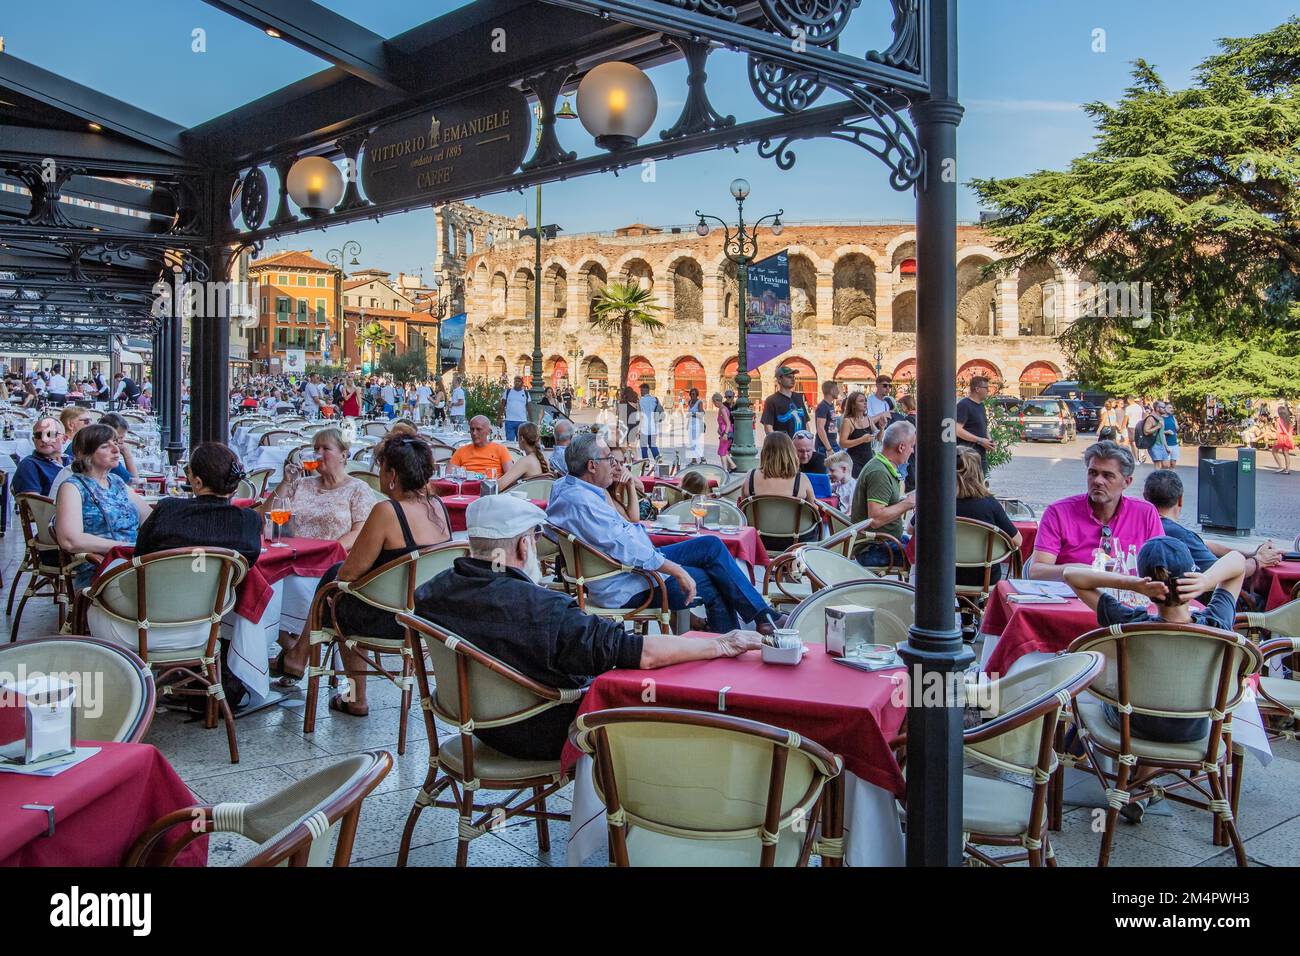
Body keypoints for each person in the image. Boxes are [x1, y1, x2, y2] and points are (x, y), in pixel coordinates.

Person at [413, 495, 762, 759]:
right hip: (546, 730)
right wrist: (721, 644)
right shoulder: (543, 610)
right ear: (523, 545)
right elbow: (642, 654)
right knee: (654, 697)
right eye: (534, 540)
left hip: (475, 725)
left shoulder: (431, 592)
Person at [548, 433, 785, 634]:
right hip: (628, 584)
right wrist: (676, 569)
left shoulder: (566, 488)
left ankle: (762, 617)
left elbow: (555, 530)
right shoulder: (583, 502)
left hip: (628, 568)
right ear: (591, 466)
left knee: (710, 545)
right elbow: (626, 549)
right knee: (712, 581)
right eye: (609, 459)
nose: (614, 465)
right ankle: (729, 647)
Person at [277, 434, 451, 707]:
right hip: (427, 617)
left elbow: (349, 573)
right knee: (336, 585)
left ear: (392, 475)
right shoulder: (438, 507)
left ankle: (330, 678)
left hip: (390, 619)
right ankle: (299, 657)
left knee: (336, 591)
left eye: (381, 468)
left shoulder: (387, 511)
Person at [1065, 541, 1246, 743]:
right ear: (1192, 574)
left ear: (1146, 582)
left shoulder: (1130, 623)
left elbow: (1071, 575)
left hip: (1132, 726)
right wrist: (1207, 580)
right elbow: (1238, 561)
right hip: (1193, 728)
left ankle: (1088, 751)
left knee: (1089, 690)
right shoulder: (1216, 624)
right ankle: (1148, 770)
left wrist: (1132, 584)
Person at [1029, 440, 1164, 581]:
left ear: (1127, 482)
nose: (1098, 481)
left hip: (1128, 598)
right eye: (1093, 473)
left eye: (1107, 475)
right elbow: (1037, 571)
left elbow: (1161, 567)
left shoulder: (1145, 513)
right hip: (1072, 597)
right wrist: (1083, 571)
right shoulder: (1058, 513)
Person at [54, 424, 152, 589]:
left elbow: (150, 519)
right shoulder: (72, 487)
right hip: (102, 571)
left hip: (135, 564)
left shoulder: (117, 482)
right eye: (105, 446)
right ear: (84, 454)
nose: (116, 450)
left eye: (115, 443)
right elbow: (70, 540)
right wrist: (123, 547)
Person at [133, 442, 262, 566]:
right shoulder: (248, 520)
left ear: (198, 482)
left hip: (161, 586)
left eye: (188, 472)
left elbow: (140, 554)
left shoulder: (168, 509)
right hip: (222, 588)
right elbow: (249, 563)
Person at [1142, 469, 1281, 577]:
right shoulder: (1179, 535)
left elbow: (1205, 544)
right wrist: (1258, 560)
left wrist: (1251, 554)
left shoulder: (1140, 524)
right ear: (1180, 500)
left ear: (1145, 497)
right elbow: (1221, 573)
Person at [261, 427, 375, 549]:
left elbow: (360, 533)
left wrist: (327, 552)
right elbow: (265, 518)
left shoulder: (358, 489)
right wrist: (286, 481)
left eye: (325, 448)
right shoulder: (300, 484)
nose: (318, 454)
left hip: (329, 559)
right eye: (316, 449)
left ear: (343, 455)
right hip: (290, 554)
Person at [850, 420, 916, 567]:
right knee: (932, 555)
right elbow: (876, 519)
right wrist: (908, 503)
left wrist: (905, 500)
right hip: (874, 548)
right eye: (911, 446)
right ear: (901, 447)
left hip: (884, 542)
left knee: (927, 547)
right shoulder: (879, 472)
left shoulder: (881, 466)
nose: (912, 451)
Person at [741, 432, 820, 553]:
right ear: (790, 452)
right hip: (796, 542)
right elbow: (814, 513)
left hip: (760, 539)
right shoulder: (801, 479)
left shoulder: (751, 477)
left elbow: (743, 509)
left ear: (764, 453)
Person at [954, 448, 1022, 587]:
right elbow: (1017, 541)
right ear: (979, 473)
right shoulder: (989, 504)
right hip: (984, 577)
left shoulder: (937, 503)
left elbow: (912, 529)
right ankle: (979, 607)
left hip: (943, 575)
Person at [12, 416, 69, 496]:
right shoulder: (29, 465)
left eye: (50, 434)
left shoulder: (73, 462)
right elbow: (32, 504)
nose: (44, 439)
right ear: (33, 440)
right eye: (38, 435)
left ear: (64, 439)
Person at [448, 415, 513, 478]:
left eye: (478, 429)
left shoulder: (500, 449)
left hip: (492, 486)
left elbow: (510, 477)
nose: (474, 433)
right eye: (472, 429)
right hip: (467, 486)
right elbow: (449, 476)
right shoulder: (461, 451)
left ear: (488, 431)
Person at [954, 375, 995, 471]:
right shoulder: (964, 405)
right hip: (968, 456)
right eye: (986, 388)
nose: (988, 391)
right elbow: (957, 429)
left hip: (980, 454)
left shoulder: (981, 405)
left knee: (980, 483)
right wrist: (979, 440)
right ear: (977, 389)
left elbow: (983, 426)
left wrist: (989, 440)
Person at [498, 422, 550, 492]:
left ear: (521, 438)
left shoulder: (526, 461)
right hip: (541, 501)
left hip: (525, 501)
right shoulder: (544, 460)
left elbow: (499, 486)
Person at [759, 366, 808, 437]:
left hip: (801, 444)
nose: (793, 379)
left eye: (793, 377)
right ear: (779, 379)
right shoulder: (771, 400)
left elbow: (805, 422)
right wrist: (777, 444)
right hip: (783, 445)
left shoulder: (799, 397)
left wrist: (808, 440)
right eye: (789, 377)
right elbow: (768, 427)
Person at [837, 390, 875, 478]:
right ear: (853, 405)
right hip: (854, 462)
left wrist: (881, 427)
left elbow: (879, 438)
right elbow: (842, 443)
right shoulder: (848, 421)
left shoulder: (868, 419)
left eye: (865, 400)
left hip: (868, 459)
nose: (865, 403)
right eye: (861, 401)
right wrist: (862, 439)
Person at [1149, 400, 1179, 469]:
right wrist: (1166, 432)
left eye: (1172, 408)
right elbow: (1159, 431)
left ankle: (1171, 478)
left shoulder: (1172, 417)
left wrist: (1177, 426)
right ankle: (1163, 477)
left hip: (1174, 442)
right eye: (1169, 408)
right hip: (1165, 443)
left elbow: (1177, 428)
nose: (1171, 409)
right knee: (1164, 465)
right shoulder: (1160, 418)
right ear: (1164, 409)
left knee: (1173, 463)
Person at [814, 379, 840, 457]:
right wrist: (829, 449)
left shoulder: (830, 405)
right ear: (831, 391)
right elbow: (820, 429)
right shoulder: (822, 406)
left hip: (832, 443)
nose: (838, 392)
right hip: (824, 446)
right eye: (836, 389)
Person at [500, 376, 530, 441]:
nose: (517, 383)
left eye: (519, 381)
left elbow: (529, 407)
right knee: (509, 442)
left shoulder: (526, 393)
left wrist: (531, 420)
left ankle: (520, 452)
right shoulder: (508, 391)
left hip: (522, 421)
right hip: (509, 421)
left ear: (522, 383)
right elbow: (502, 405)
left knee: (521, 442)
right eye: (515, 381)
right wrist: (499, 418)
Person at [637, 382, 662, 461]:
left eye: (641, 390)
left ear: (645, 390)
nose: (640, 392)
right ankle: (658, 459)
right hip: (653, 426)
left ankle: (646, 462)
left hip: (644, 426)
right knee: (652, 445)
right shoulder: (655, 399)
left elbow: (640, 415)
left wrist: (638, 428)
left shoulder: (641, 401)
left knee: (643, 445)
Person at [712, 392, 734, 472]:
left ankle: (725, 470)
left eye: (714, 402)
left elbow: (727, 423)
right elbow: (723, 422)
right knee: (725, 451)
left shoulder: (722, 409)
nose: (714, 404)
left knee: (722, 452)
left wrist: (725, 434)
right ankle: (732, 466)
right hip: (724, 431)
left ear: (716, 401)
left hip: (726, 432)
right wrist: (719, 428)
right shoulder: (723, 408)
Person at [1270, 403, 1294, 475]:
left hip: (1280, 438)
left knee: (1274, 451)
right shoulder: (1289, 420)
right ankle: (1287, 469)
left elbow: (1278, 430)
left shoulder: (1279, 420)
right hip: (1287, 438)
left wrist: (1272, 428)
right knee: (1286, 453)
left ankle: (1280, 466)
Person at [685, 388, 706, 465]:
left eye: (694, 394)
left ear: (697, 395)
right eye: (691, 394)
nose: (692, 396)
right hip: (691, 424)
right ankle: (693, 460)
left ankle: (702, 459)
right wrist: (687, 424)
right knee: (691, 442)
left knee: (697, 442)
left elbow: (701, 414)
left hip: (697, 424)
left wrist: (692, 414)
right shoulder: (689, 402)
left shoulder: (699, 402)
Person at [1124, 396, 1145, 463]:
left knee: (1133, 443)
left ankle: (1136, 459)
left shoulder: (1128, 408)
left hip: (1132, 426)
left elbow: (1126, 418)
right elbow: (1143, 415)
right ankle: (1141, 454)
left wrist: (1123, 426)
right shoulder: (1139, 407)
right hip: (1139, 426)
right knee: (1139, 441)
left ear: (1128, 400)